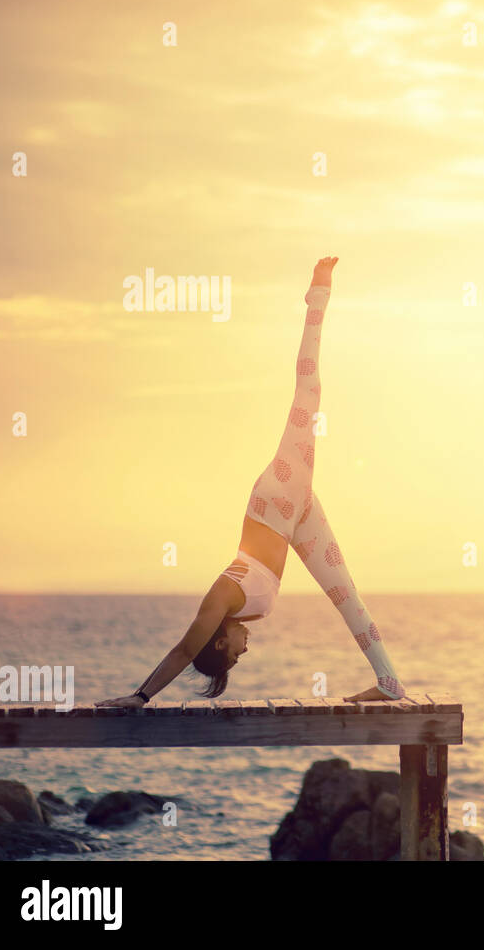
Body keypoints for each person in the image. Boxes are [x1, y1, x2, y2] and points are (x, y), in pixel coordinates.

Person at [97, 257, 404, 709]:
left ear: (218, 643)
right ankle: (389, 682)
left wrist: (139, 696)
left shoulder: (221, 598)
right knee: (344, 593)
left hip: (276, 498)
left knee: (308, 392)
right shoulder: (242, 609)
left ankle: (317, 296)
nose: (245, 651)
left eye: (233, 657)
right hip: (293, 517)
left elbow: (184, 650)